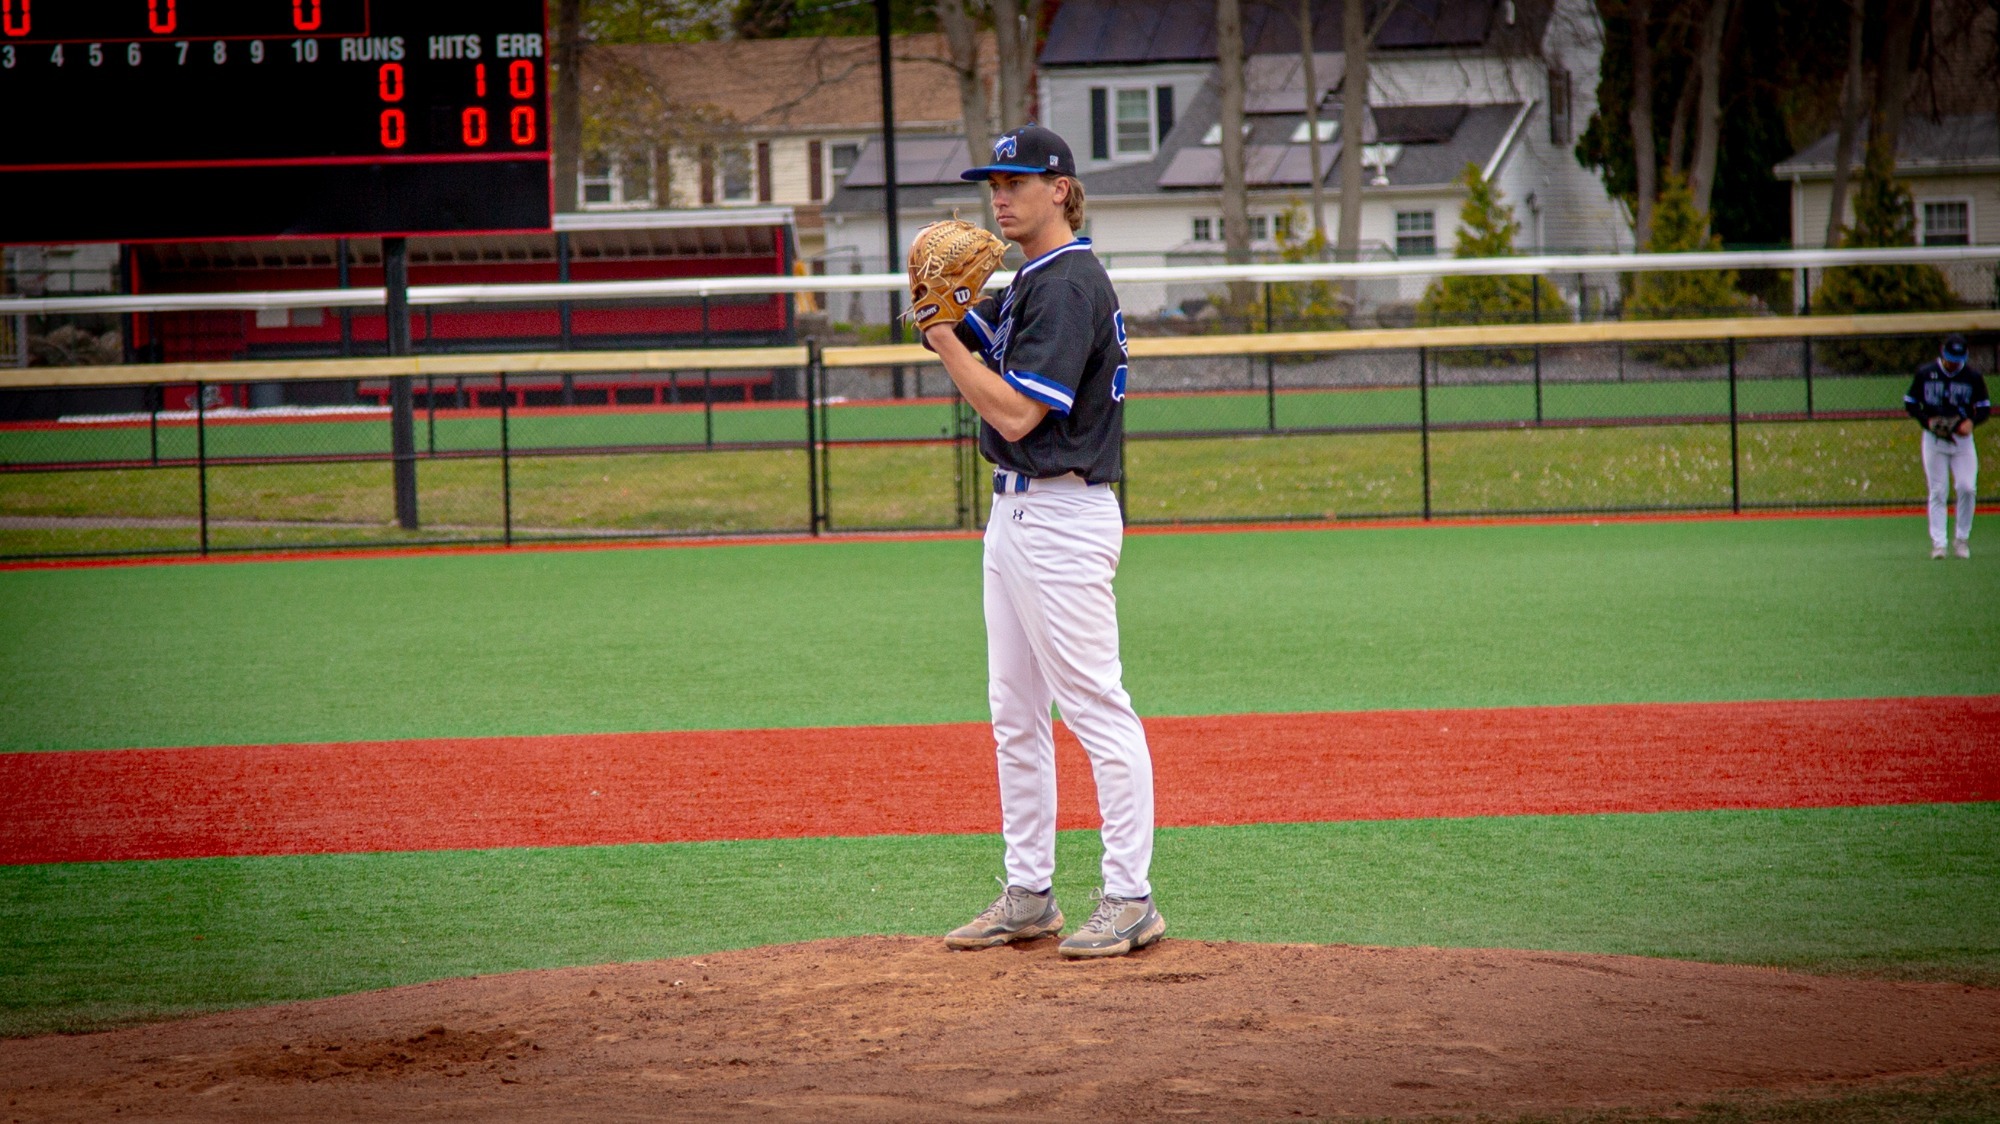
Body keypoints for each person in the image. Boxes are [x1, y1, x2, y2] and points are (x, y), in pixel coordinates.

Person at [922, 125, 1164, 959]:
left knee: (1096, 707)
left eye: (1018, 180)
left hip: (1062, 514)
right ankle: (1029, 893)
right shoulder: (1031, 280)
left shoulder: (1065, 285)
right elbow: (968, 340)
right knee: (1014, 715)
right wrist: (941, 321)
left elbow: (1019, 412)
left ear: (1059, 188)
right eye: (994, 180)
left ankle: (1130, 897)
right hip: (1017, 516)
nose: (1000, 195)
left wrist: (943, 338)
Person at [1904, 332, 1990, 558]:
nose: (1953, 364)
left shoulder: (1971, 376)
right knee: (1938, 491)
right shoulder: (1926, 374)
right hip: (1934, 441)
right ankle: (1939, 543)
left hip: (1962, 442)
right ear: (1943, 353)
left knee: (1967, 487)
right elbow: (1911, 403)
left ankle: (1961, 539)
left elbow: (1984, 408)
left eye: (1958, 359)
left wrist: (1972, 422)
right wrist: (1927, 422)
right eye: (1951, 358)